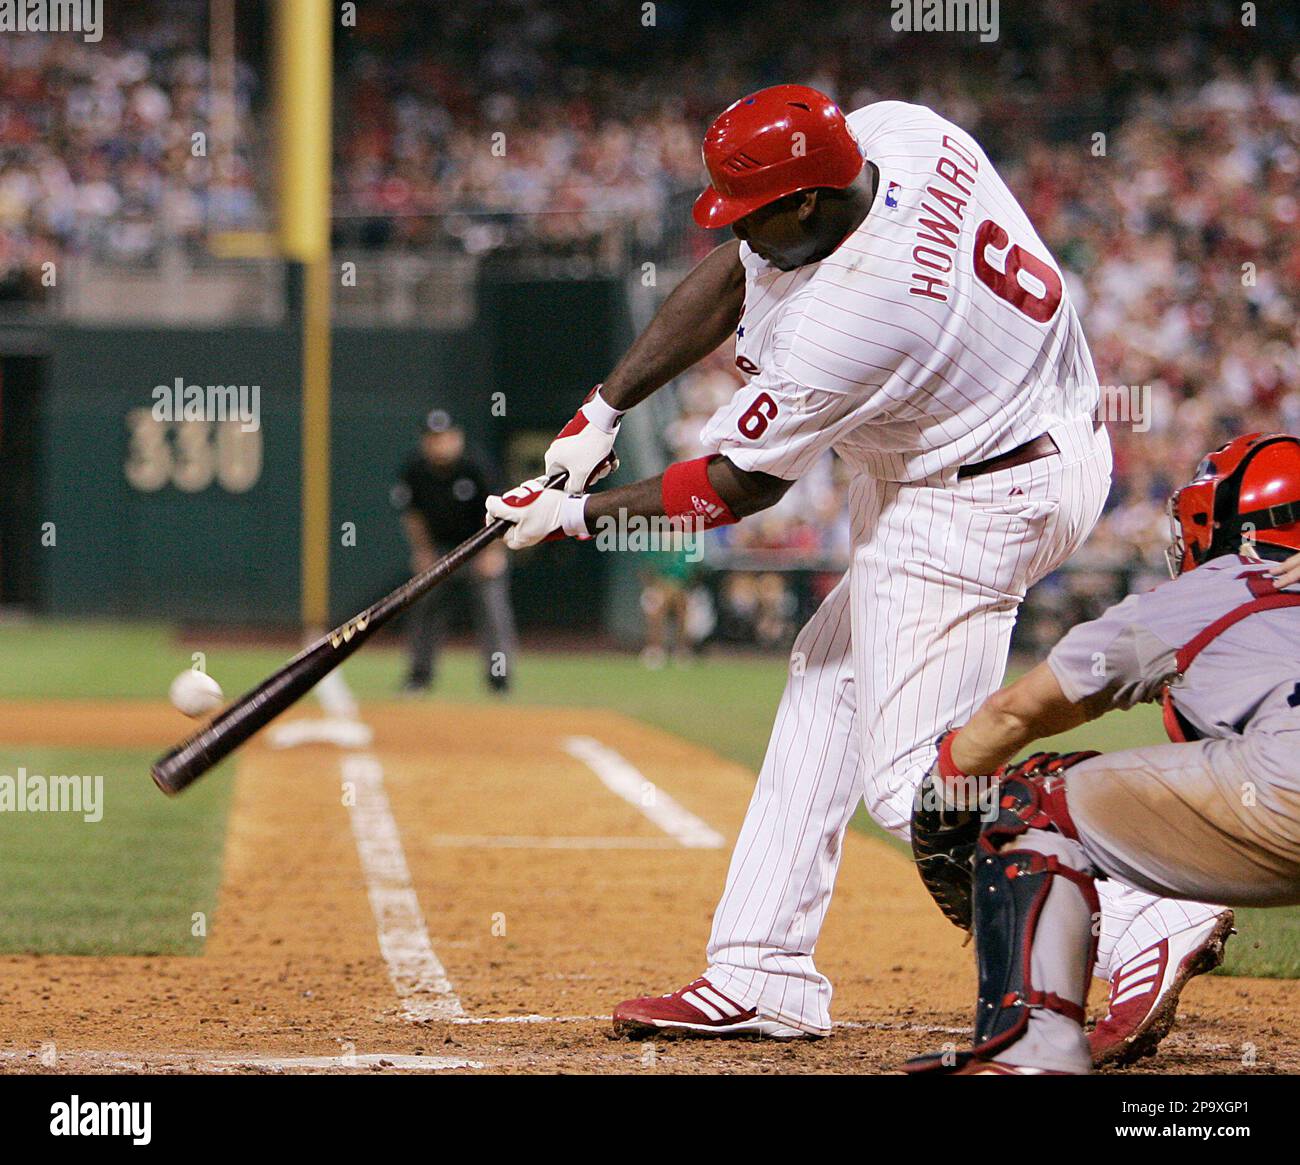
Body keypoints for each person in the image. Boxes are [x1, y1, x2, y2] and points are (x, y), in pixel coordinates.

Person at [485, 85, 1229, 1060]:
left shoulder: (854, 317)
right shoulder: (894, 135)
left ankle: (1143, 908)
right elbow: (738, 266)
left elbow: (735, 486)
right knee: (824, 678)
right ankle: (760, 967)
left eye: (752, 209)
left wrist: (572, 514)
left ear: (805, 203)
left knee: (914, 784)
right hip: (1017, 430)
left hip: (972, 494)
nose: (735, 227)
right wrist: (604, 408)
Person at [905, 433, 1300, 1074]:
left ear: (1230, 526)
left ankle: (1033, 1053)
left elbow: (1015, 713)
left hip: (1286, 802)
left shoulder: (1209, 591)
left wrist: (949, 779)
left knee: (1033, 799)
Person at [392, 409, 517, 694]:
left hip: (478, 548)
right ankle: (418, 677)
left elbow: (503, 512)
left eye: (444, 437)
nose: (439, 443)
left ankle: (499, 680)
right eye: (432, 438)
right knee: (424, 605)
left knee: (492, 607)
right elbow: (412, 516)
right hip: (439, 552)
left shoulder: (477, 466)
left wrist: (494, 552)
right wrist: (422, 552)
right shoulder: (415, 469)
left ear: (457, 438)